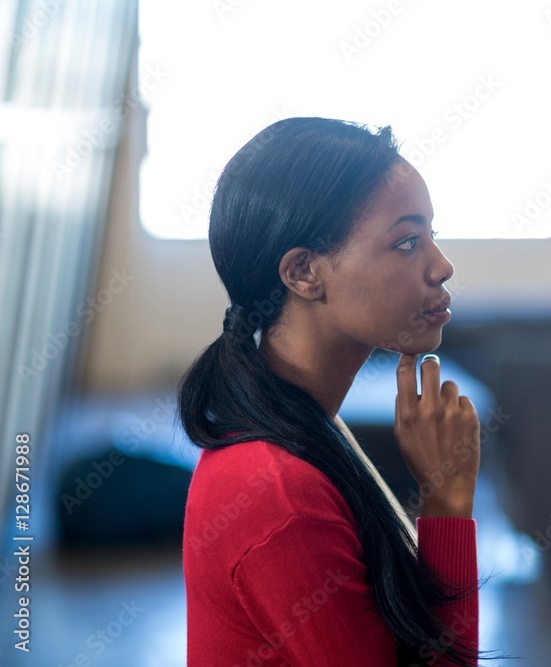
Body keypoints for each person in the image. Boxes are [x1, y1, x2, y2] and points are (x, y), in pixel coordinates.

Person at [177, 117, 501, 666]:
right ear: (304, 273)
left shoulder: (308, 426)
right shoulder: (279, 495)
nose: (441, 267)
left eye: (432, 237)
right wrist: (446, 497)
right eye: (406, 242)